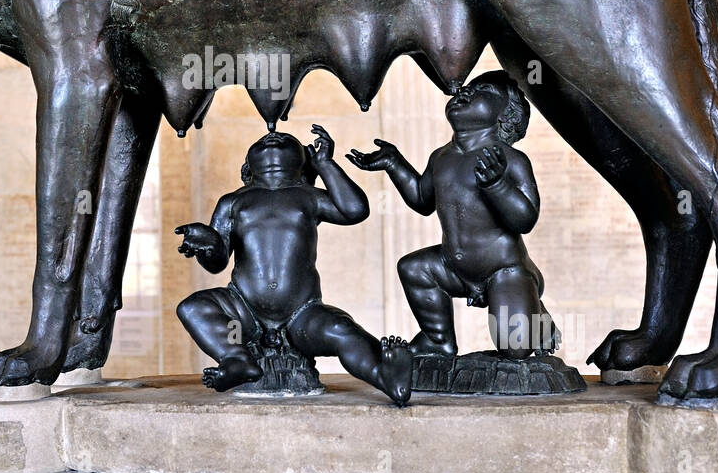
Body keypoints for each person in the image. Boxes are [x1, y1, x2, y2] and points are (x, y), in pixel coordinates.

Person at [175, 126, 413, 406]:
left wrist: (326, 164)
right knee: (193, 307)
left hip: (303, 316)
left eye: (287, 140)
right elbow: (216, 263)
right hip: (243, 314)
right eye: (263, 139)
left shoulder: (308, 196)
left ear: (302, 161)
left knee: (341, 330)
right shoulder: (233, 202)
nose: (273, 136)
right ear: (248, 165)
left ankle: (385, 376)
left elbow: (354, 210)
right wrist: (209, 242)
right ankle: (237, 358)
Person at [347, 71, 561, 360]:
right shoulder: (441, 157)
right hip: (453, 267)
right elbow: (423, 201)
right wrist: (393, 163)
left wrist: (497, 185)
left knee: (517, 349)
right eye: (466, 88)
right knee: (413, 268)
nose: (464, 92)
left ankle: (533, 303)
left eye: (482, 90)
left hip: (504, 269)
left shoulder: (509, 158)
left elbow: (525, 219)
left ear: (505, 114)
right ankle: (438, 340)